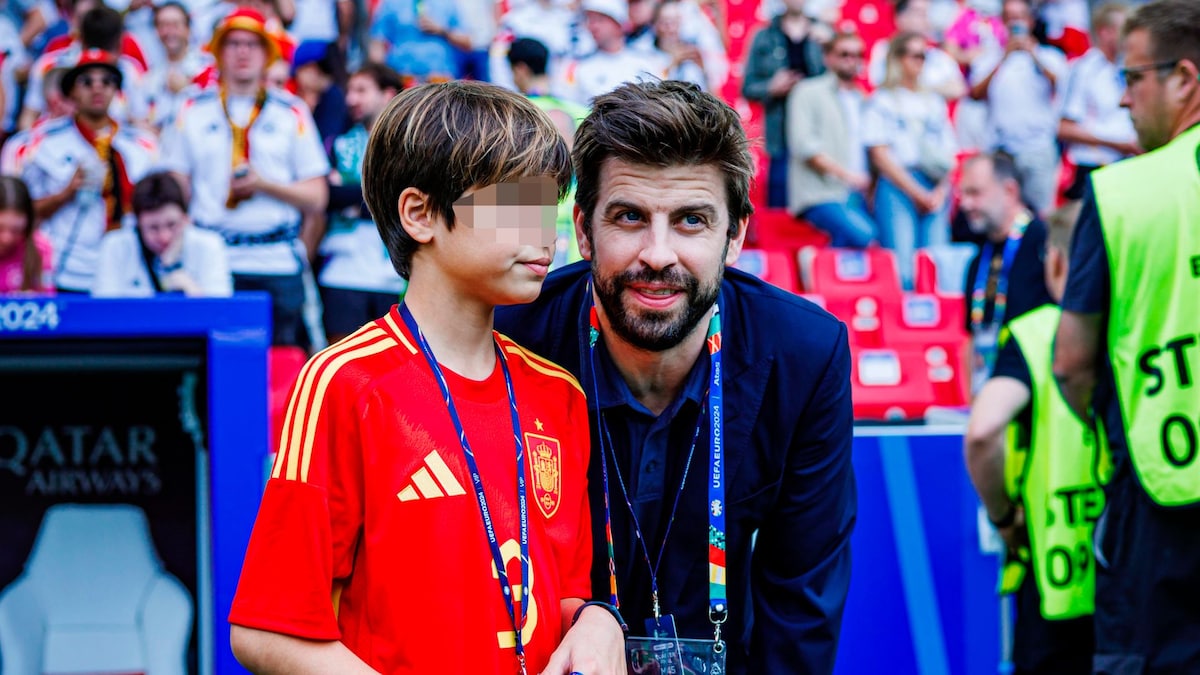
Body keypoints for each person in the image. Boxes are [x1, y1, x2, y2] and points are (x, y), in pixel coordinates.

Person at [228, 80, 627, 675]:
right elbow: (266, 631)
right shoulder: (343, 383)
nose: (545, 230)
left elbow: (566, 591)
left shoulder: (557, 392)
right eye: (516, 202)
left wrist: (599, 620)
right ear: (419, 213)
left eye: (549, 204)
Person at [495, 80, 856, 674]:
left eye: (690, 221)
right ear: (583, 231)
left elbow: (802, 601)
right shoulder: (511, 339)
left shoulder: (804, 353)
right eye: (630, 217)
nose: (658, 254)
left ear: (735, 236)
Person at [1053, 0, 1200, 671]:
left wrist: (1113, 423)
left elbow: (1073, 362)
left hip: (1157, 486)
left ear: (1184, 79)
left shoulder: (1121, 192)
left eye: (1133, 76)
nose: (1121, 98)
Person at [965, 200, 1103, 675]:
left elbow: (983, 431)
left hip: (1054, 572)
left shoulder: (1034, 334)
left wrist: (1004, 515)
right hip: (1136, 563)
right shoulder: (1139, 323)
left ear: (1058, 261)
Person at [161, 8, 329, 347]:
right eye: (233, 43)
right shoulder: (191, 109)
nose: (242, 52)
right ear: (218, 52)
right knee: (209, 367)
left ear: (267, 54)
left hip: (276, 258)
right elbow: (175, 187)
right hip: (212, 257)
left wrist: (264, 184)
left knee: (281, 371)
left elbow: (318, 196)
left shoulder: (291, 111)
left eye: (252, 44)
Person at [20, 49, 159, 293]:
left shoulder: (141, 146)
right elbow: (22, 212)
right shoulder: (44, 144)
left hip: (127, 268)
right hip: (67, 268)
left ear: (116, 91)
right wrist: (65, 193)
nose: (97, 88)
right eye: (86, 82)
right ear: (71, 91)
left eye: (107, 82)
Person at [318, 63, 406, 344]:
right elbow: (326, 196)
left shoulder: (411, 145)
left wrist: (353, 195)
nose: (351, 99)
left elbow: (407, 198)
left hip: (395, 271)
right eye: (349, 91)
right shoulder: (339, 144)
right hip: (342, 268)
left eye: (361, 90)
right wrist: (379, 196)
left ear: (387, 94)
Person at [863, 30, 957, 288]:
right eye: (915, 55)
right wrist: (917, 192)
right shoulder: (881, 100)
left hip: (933, 183)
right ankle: (904, 326)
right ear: (898, 58)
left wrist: (940, 191)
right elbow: (879, 155)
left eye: (924, 56)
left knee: (937, 264)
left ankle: (937, 325)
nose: (920, 61)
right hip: (898, 185)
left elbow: (949, 155)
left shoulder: (934, 101)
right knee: (902, 269)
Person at [958, 152, 1053, 393]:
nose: (965, 204)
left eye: (975, 193)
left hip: (1035, 390)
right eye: (963, 194)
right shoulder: (978, 259)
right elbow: (971, 337)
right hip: (989, 392)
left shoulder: (1045, 244)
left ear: (1010, 191)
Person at [968, 0, 1069, 215]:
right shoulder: (987, 57)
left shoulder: (1050, 55)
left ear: (1030, 21)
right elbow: (975, 94)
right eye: (1009, 17)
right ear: (1001, 21)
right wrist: (1004, 56)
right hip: (1001, 149)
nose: (1015, 23)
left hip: (1037, 148)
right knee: (1000, 214)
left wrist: (1033, 54)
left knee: (1041, 215)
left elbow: (1059, 85)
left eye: (1020, 17)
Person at [786, 28, 878, 248]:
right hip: (820, 193)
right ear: (828, 57)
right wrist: (848, 176)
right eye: (844, 54)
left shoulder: (864, 99)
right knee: (865, 235)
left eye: (857, 55)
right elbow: (804, 145)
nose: (851, 60)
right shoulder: (808, 91)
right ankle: (812, 263)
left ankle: (815, 262)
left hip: (857, 194)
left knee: (879, 243)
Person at [92, 172, 232, 297]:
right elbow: (105, 311)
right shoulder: (115, 246)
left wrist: (189, 287)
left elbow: (218, 313)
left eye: (172, 225)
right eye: (153, 228)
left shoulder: (209, 245)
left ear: (186, 219)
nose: (164, 237)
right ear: (138, 224)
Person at [741, 0, 826, 208]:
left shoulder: (823, 33)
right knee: (780, 206)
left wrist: (828, 45)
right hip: (781, 133)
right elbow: (747, 87)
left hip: (818, 132)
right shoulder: (764, 36)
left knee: (820, 204)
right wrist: (772, 87)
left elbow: (842, 82)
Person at [1057, 2, 1140, 201]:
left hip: (1125, 164)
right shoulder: (1084, 69)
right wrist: (1116, 144)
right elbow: (1064, 128)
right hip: (1093, 166)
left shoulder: (1124, 67)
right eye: (1124, 30)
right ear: (1105, 32)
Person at [0, 175, 53, 294]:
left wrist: (33, 301)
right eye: (0, 228)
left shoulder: (40, 247)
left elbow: (49, 302)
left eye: (16, 230)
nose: (6, 238)